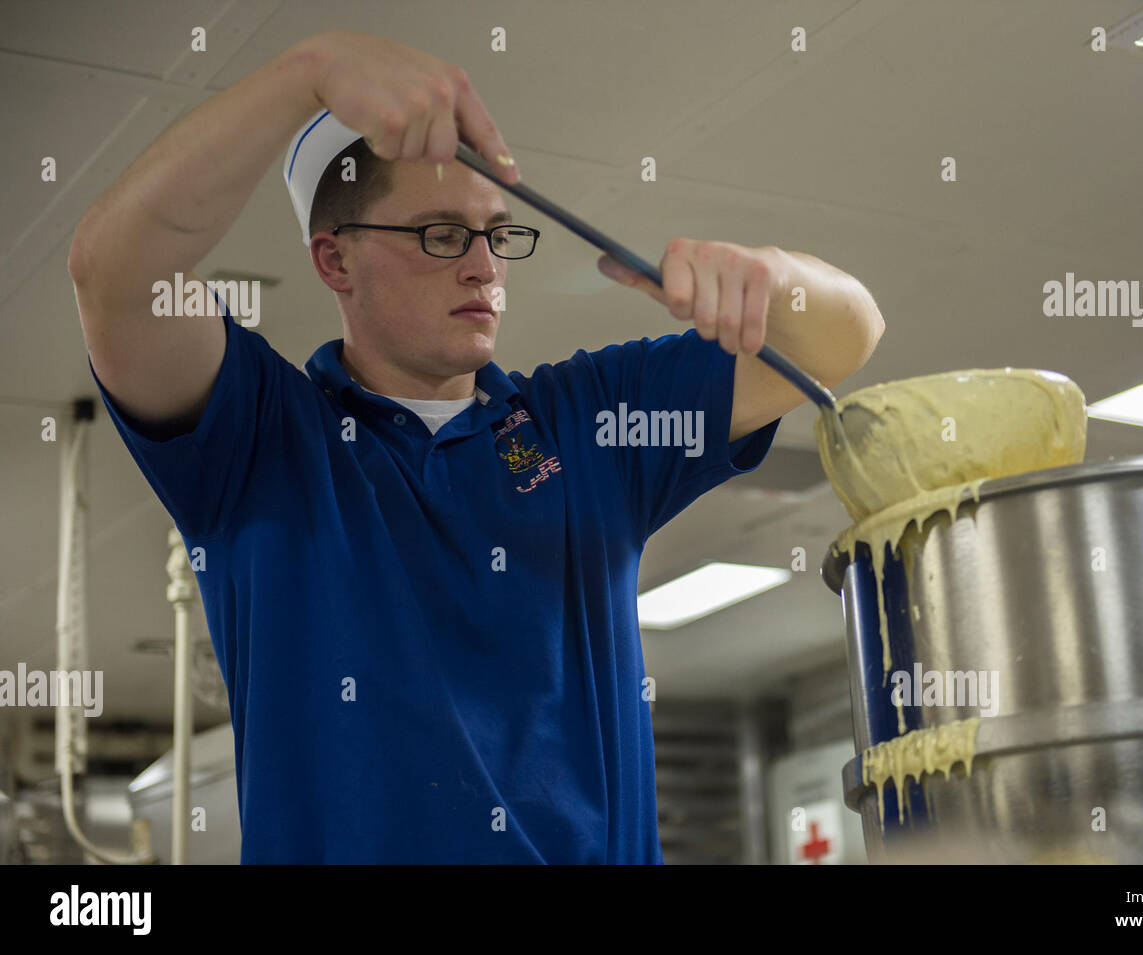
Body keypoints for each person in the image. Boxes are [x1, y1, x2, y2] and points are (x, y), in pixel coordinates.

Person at [68, 30, 884, 863]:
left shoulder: (587, 425)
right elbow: (114, 271)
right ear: (334, 259)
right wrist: (306, 74)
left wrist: (770, 276)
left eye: (498, 234)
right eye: (442, 235)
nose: (484, 266)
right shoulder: (262, 438)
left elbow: (844, 334)